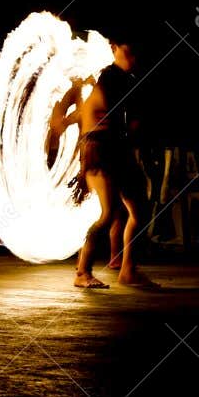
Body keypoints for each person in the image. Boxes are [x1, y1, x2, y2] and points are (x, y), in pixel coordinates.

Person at [72, 36, 148, 288]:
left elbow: (127, 121)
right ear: (115, 48)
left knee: (140, 210)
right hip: (99, 148)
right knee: (108, 213)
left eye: (138, 52)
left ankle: (128, 270)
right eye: (130, 49)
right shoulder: (110, 76)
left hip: (116, 147)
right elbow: (106, 113)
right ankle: (83, 272)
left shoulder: (127, 80)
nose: (135, 57)